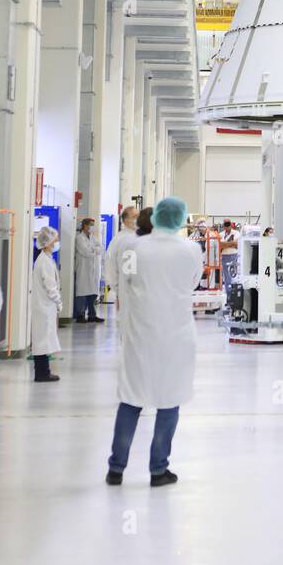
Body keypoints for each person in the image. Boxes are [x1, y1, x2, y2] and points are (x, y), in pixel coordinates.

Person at [105, 196, 203, 487]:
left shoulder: (134, 248)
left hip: (140, 334)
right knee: (169, 400)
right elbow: (193, 282)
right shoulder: (191, 250)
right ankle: (158, 470)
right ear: (180, 218)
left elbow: (125, 281)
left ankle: (116, 468)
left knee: (131, 399)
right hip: (177, 334)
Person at [31, 226, 62, 382]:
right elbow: (50, 287)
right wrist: (58, 302)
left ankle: (43, 371)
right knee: (42, 340)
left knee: (43, 340)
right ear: (48, 242)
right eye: (55, 239)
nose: (57, 242)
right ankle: (42, 374)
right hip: (44, 306)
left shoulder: (46, 259)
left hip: (44, 306)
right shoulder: (44, 262)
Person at [103, 206, 138, 298]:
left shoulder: (138, 237)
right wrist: (118, 291)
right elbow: (110, 266)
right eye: (134, 217)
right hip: (125, 293)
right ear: (126, 220)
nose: (138, 219)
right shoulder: (119, 239)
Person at [74, 217, 104, 322]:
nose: (92, 227)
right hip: (83, 269)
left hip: (93, 269)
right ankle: (80, 315)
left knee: (93, 293)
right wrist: (95, 250)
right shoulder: (79, 238)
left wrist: (94, 250)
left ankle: (92, 315)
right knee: (82, 293)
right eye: (91, 225)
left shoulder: (93, 238)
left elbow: (101, 248)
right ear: (85, 225)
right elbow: (85, 252)